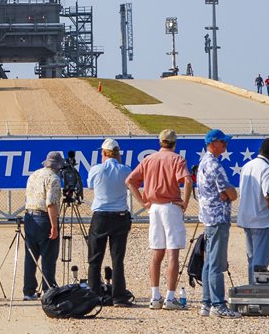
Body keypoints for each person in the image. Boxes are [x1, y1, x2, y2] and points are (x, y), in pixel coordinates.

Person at [126, 129, 192, 311]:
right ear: (174, 143)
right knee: (173, 252)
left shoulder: (149, 159)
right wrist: (185, 202)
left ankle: (155, 295)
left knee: (157, 252)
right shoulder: (177, 159)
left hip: (154, 208)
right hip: (171, 206)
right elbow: (187, 181)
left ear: (160, 142)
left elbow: (130, 181)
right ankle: (170, 297)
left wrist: (143, 203)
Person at [195, 129, 240, 318]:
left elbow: (226, 192)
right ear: (213, 143)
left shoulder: (203, 163)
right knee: (216, 263)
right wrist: (229, 193)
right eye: (223, 142)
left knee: (209, 262)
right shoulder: (214, 165)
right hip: (218, 218)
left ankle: (207, 302)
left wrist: (227, 193)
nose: (225, 146)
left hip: (208, 217)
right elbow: (231, 193)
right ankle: (218, 304)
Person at [87, 138, 133, 306]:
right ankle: (119, 296)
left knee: (95, 258)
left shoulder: (96, 169)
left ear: (104, 153)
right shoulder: (125, 170)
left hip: (100, 215)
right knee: (117, 258)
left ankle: (93, 295)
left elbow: (90, 185)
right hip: (120, 215)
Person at [236, 138, 269, 283]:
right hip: (261, 220)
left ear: (260, 150)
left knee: (252, 260)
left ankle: (252, 288)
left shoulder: (247, 166)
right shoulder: (267, 169)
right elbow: (268, 196)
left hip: (247, 218)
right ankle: (258, 290)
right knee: (260, 264)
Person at [22, 151, 61, 300]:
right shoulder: (53, 178)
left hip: (30, 217)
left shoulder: (34, 175)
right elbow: (51, 203)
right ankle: (48, 288)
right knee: (48, 256)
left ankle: (28, 290)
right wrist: (54, 226)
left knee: (31, 256)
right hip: (44, 218)